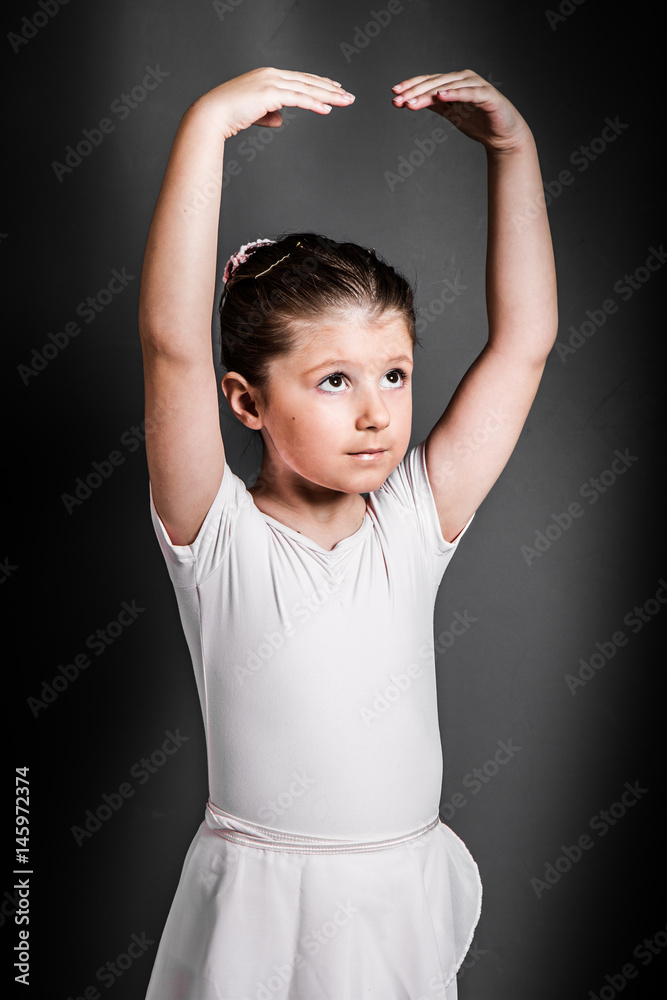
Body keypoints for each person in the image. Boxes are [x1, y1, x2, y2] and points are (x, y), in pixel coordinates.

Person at [138, 66, 557, 1000]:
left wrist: (511, 149)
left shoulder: (413, 522)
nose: (376, 414)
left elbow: (523, 341)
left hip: (392, 899)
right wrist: (205, 127)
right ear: (245, 401)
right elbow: (170, 342)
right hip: (260, 899)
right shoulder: (217, 535)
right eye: (334, 381)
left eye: (395, 376)